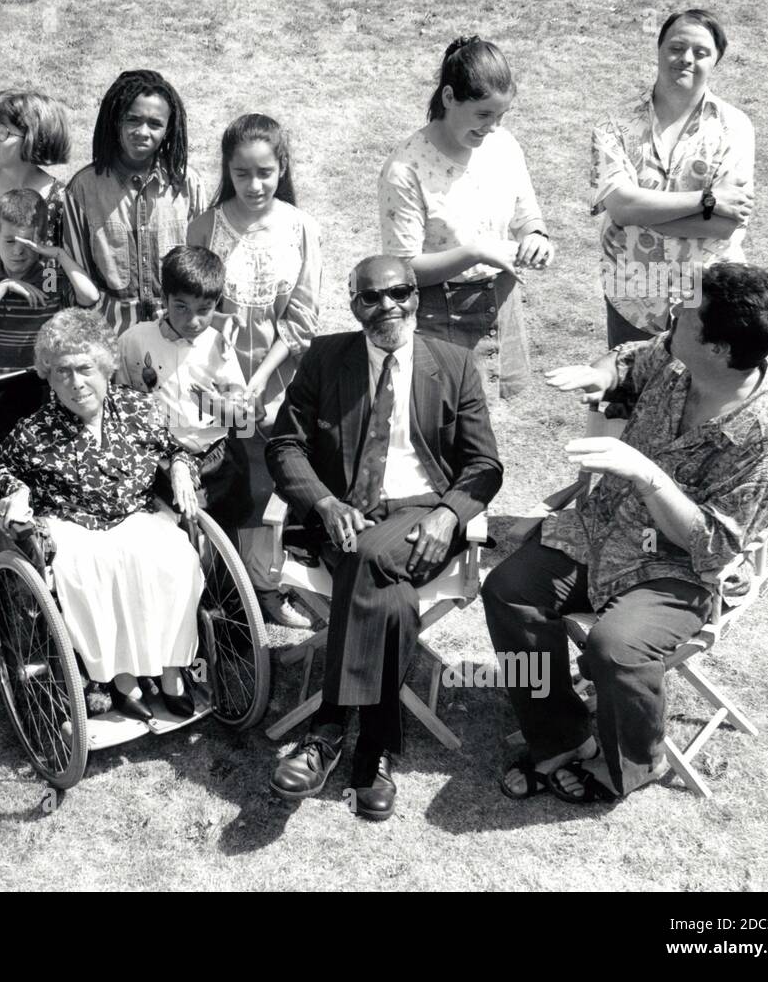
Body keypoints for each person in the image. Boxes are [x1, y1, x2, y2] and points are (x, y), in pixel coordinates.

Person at [484, 263, 768, 803]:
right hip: (601, 530)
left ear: (721, 350)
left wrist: (649, 476)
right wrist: (602, 376)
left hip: (678, 569)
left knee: (617, 650)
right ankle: (559, 735)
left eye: (688, 312)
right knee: (509, 592)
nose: (673, 310)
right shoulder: (682, 360)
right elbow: (632, 359)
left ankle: (633, 764)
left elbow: (712, 548)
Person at [265, 255, 503, 820]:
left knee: (369, 555)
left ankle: (327, 731)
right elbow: (283, 446)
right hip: (340, 516)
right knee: (378, 576)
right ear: (353, 305)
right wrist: (323, 502)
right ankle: (374, 749)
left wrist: (448, 515)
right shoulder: (325, 358)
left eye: (399, 292)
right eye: (371, 297)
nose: (387, 307)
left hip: (424, 518)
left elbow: (485, 465)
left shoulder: (455, 363)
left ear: (416, 295)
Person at [0, 309, 203, 720]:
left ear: (107, 367)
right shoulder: (36, 430)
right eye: (61, 372)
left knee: (175, 561)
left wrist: (182, 465)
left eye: (84, 369)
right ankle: (122, 677)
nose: (75, 383)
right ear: (48, 375)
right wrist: (16, 488)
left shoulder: (138, 410)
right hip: (73, 526)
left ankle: (170, 669)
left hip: (135, 516)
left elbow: (173, 449)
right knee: (94, 571)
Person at [187, 113, 321, 629]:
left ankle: (264, 586)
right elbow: (193, 310)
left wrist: (261, 381)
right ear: (228, 171)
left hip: (278, 377)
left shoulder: (300, 226)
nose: (255, 185)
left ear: (281, 167)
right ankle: (220, 588)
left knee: (272, 481)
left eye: (265, 172)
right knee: (225, 479)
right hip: (218, 378)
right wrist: (229, 383)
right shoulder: (206, 226)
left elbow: (303, 317)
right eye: (242, 174)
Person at [379, 36, 555, 401]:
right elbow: (404, 269)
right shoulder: (405, 169)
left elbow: (527, 214)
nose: (492, 127)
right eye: (483, 115)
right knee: (443, 428)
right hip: (440, 315)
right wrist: (476, 252)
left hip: (501, 304)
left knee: (483, 432)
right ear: (448, 98)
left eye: (501, 116)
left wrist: (537, 236)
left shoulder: (503, 145)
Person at [593, 8, 754, 347]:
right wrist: (707, 200)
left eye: (701, 52)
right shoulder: (613, 126)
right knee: (631, 393)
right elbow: (621, 208)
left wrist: (641, 215)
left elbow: (725, 225)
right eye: (676, 47)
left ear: (716, 61)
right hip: (632, 295)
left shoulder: (734, 127)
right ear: (659, 49)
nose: (686, 58)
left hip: (708, 296)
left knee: (702, 396)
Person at [118, 245, 253, 534]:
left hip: (214, 455)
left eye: (204, 310)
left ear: (217, 304)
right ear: (164, 298)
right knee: (173, 534)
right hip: (161, 460)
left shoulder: (218, 344)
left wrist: (220, 406)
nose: (193, 321)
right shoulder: (135, 340)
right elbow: (121, 399)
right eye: (181, 307)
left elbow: (241, 415)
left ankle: (226, 576)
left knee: (222, 532)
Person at [62, 69, 206, 336]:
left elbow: (203, 269)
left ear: (169, 129)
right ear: (115, 121)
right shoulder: (83, 188)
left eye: (155, 123)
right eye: (133, 120)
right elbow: (73, 274)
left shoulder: (188, 185)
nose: (142, 131)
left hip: (175, 336)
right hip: (109, 340)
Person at [0, 88, 78, 353]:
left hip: (44, 329)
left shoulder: (61, 199)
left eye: (3, 132)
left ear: (32, 140)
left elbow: (55, 263)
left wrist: (50, 309)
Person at [0, 188, 95, 379]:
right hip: (3, 389)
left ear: (41, 240)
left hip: (49, 387)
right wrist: (5, 285)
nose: (18, 251)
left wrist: (59, 254)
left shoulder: (49, 277)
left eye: (28, 242)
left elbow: (89, 298)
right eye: (9, 241)